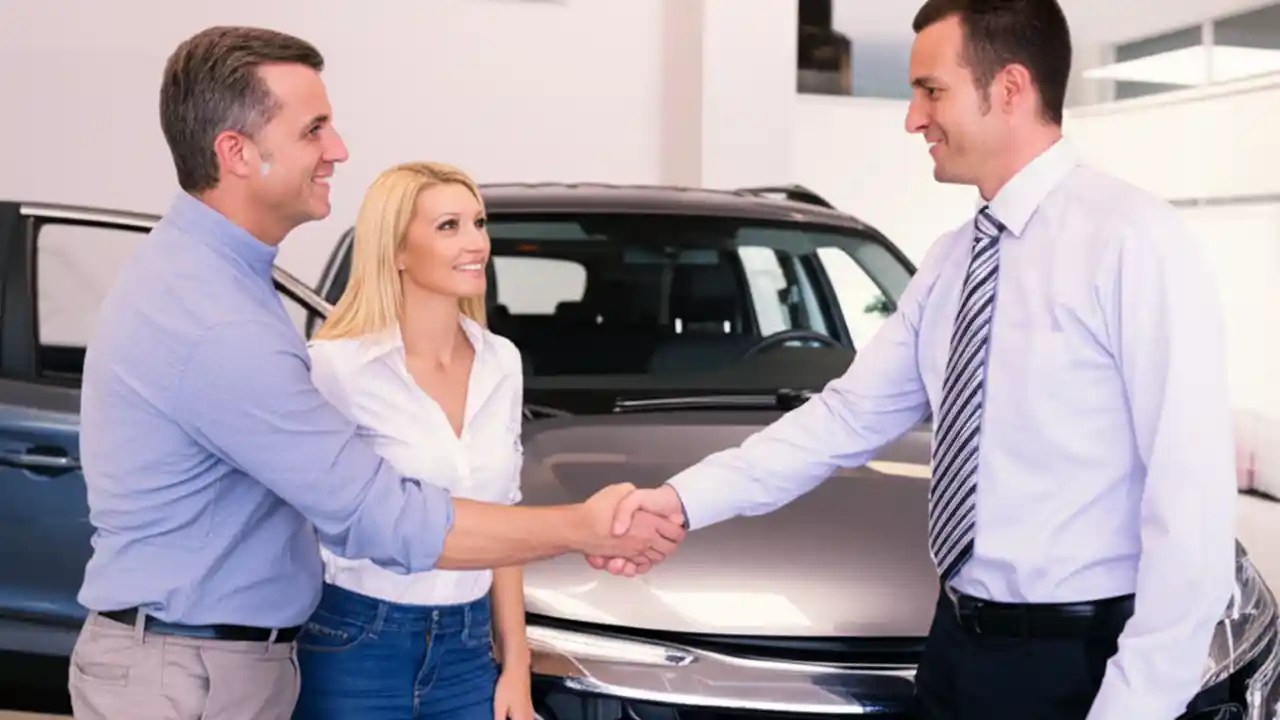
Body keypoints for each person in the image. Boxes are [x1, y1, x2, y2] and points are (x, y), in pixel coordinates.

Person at [597, 1, 1237, 718]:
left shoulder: (1133, 241)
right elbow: (843, 419)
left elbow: (1192, 499)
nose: (912, 119)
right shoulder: (952, 261)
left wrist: (1136, 705)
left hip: (1079, 666)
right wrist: (682, 502)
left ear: (1011, 88)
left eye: (931, 91)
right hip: (953, 649)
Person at [70, 26, 684, 720]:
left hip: (223, 664)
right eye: (314, 130)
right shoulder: (219, 321)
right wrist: (584, 526)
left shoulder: (214, 282)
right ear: (236, 152)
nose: (339, 150)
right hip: (194, 678)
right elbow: (379, 517)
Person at [289, 161, 533, 719]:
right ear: (396, 250)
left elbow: (505, 522)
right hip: (355, 642)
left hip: (469, 650)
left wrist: (515, 664)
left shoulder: (503, 362)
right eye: (449, 226)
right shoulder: (337, 368)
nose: (476, 243)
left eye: (478, 222)